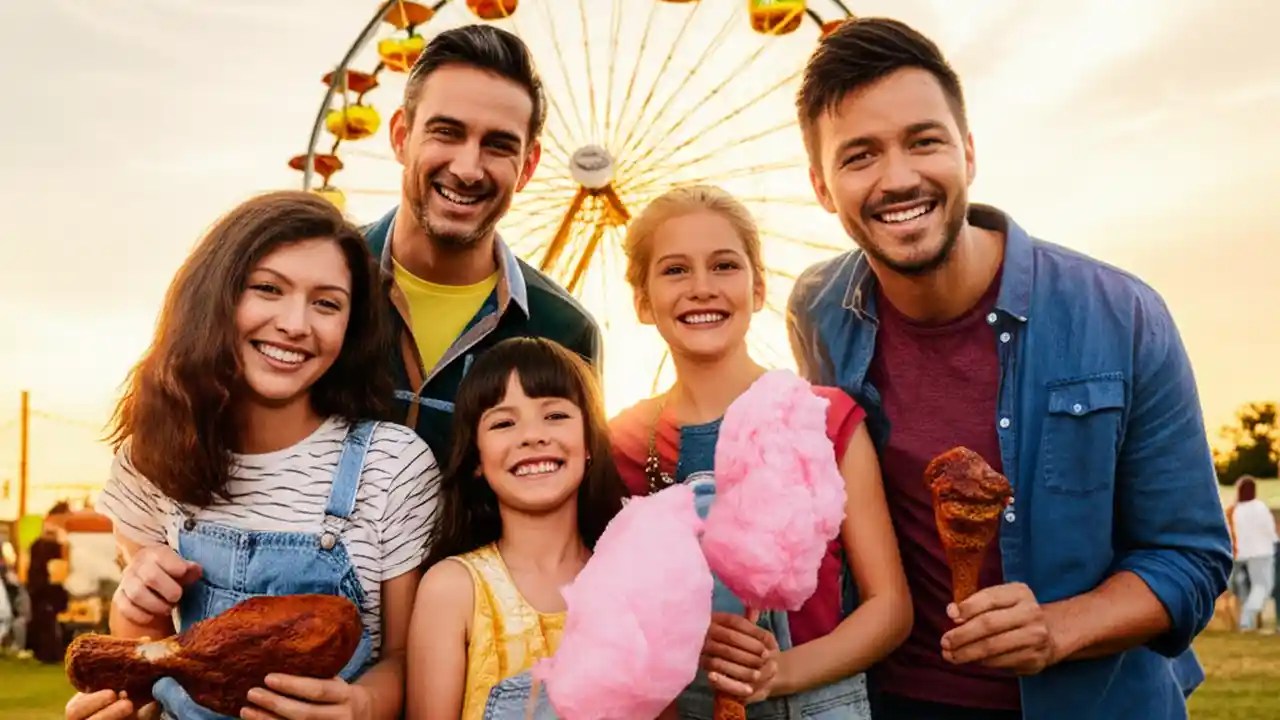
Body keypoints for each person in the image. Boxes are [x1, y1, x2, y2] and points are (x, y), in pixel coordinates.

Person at [786, 17, 1232, 720]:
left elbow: (1190, 557)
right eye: (859, 156)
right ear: (821, 185)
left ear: (967, 151)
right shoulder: (818, 310)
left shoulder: (1122, 314)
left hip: (1091, 703)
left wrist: (1058, 628)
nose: (898, 178)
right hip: (895, 700)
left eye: (924, 141)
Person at [65, 191, 440, 720]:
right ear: (215, 296)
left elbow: (404, 658)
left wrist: (361, 704)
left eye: (326, 303)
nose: (295, 323)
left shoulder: (391, 464)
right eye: (268, 289)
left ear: (351, 328)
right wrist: (131, 614)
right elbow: (150, 651)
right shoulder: (150, 457)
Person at [609, 185, 912, 719]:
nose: (702, 288)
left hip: (815, 700)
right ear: (641, 301)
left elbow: (890, 609)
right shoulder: (624, 444)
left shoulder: (825, 418)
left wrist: (778, 673)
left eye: (724, 266)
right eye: (675, 270)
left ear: (758, 289)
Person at [364, 24, 602, 459]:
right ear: (401, 136)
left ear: (528, 166)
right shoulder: (316, 286)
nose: (469, 168)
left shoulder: (565, 332)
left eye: (498, 145)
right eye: (447, 133)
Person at [405, 336, 626, 719]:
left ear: (590, 441)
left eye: (555, 415)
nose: (532, 435)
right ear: (476, 458)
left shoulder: (630, 585)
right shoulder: (453, 590)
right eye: (504, 423)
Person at [1228, 476, 1277, 631]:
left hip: (1243, 554)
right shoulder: (1259, 507)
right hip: (1261, 552)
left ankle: (1248, 621)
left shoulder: (1237, 509)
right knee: (1263, 587)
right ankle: (1246, 621)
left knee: (1247, 589)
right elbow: (1269, 529)